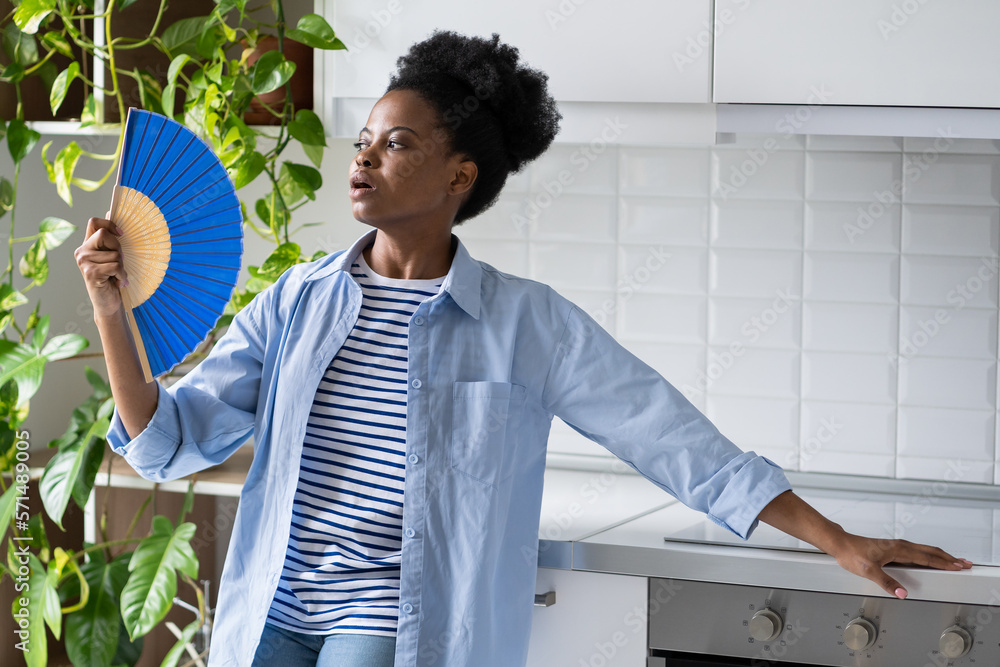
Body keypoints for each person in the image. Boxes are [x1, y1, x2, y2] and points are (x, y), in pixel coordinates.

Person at [75, 31, 971, 667]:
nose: (363, 160)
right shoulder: (297, 300)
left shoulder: (525, 324)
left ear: (459, 176)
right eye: (362, 142)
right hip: (272, 601)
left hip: (389, 618)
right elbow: (165, 439)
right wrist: (112, 310)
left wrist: (834, 536)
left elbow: (671, 437)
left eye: (396, 144)